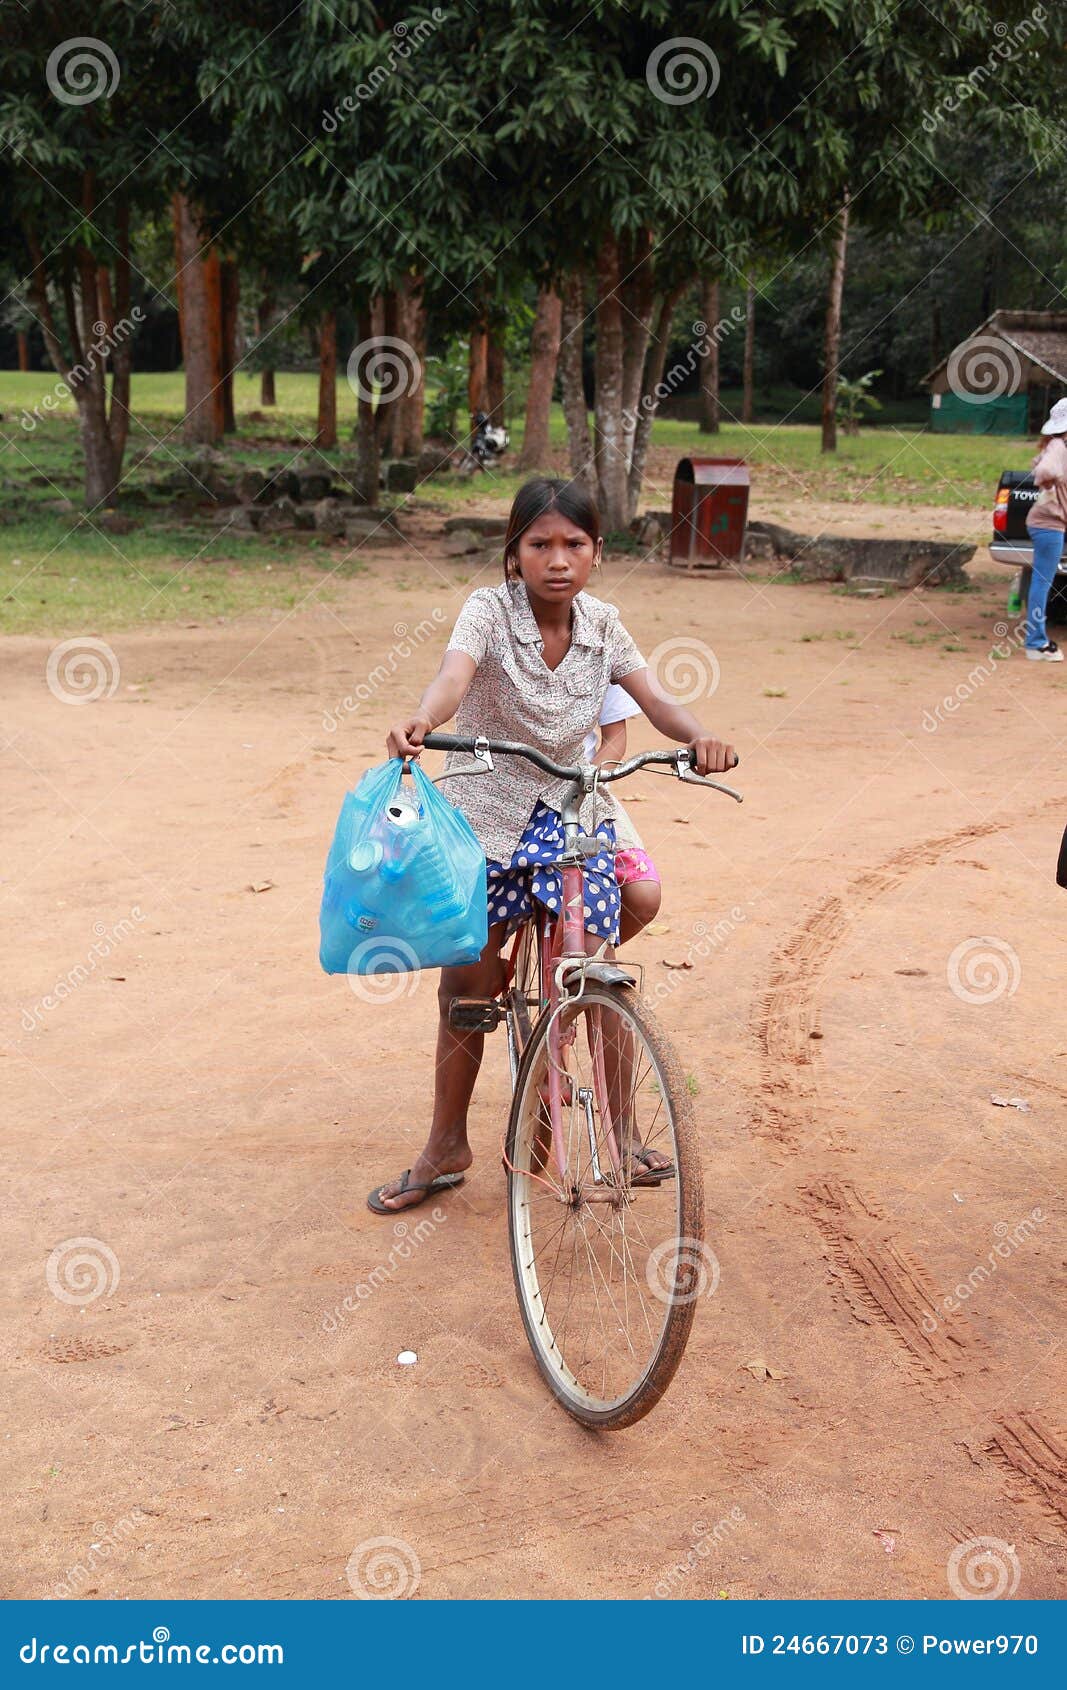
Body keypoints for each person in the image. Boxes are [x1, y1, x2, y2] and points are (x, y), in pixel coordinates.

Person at [371, 476, 734, 1214]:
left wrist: (699, 737)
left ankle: (624, 1133)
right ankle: (446, 1143)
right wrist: (419, 718)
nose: (557, 559)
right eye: (540, 544)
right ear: (515, 555)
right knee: (468, 984)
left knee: (600, 961)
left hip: (568, 803)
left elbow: (655, 700)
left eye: (574, 544)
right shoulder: (486, 612)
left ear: (597, 553)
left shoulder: (604, 625)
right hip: (489, 801)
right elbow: (452, 676)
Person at [585, 685, 663, 942]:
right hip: (500, 789)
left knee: (642, 894)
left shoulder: (603, 648)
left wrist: (584, 785)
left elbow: (614, 738)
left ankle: (585, 956)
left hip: (582, 785)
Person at [1024, 397, 1067, 661]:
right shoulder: (1059, 447)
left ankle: (1035, 640)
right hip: (1048, 524)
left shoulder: (1058, 445)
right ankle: (1036, 642)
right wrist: (1051, 484)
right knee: (1042, 582)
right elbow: (1044, 470)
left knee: (1042, 581)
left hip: (1048, 522)